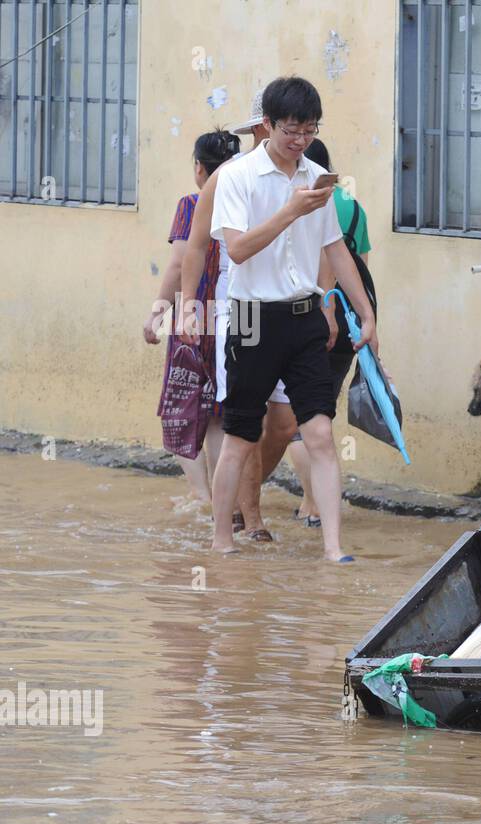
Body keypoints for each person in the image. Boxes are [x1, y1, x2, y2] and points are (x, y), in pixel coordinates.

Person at [207, 75, 376, 562]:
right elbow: (236, 249)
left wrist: (364, 312)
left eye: (310, 130)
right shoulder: (237, 177)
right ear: (267, 125)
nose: (300, 141)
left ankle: (333, 549)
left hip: (304, 318)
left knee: (319, 432)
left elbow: (335, 249)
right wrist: (289, 211)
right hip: (253, 320)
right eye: (291, 131)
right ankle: (222, 541)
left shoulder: (315, 175)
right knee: (242, 434)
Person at [178, 90, 282, 541]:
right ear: (266, 127)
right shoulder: (228, 178)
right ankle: (246, 519)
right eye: (283, 127)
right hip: (241, 310)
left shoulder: (302, 174)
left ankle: (243, 508)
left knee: (290, 420)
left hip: (289, 308)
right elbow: (195, 246)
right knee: (245, 415)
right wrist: (186, 306)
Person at [143, 129, 241, 506]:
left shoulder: (192, 203)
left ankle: (201, 497)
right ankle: (222, 498)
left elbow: (179, 262)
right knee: (219, 412)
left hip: (196, 316)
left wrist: (157, 312)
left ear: (200, 168)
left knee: (179, 409)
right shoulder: (243, 202)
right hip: (240, 316)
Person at [283, 138, 374, 526]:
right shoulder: (354, 208)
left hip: (312, 318)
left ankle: (313, 503)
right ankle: (316, 504)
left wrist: (326, 310)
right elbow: (363, 268)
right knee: (322, 412)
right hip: (351, 320)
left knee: (296, 421)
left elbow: (323, 260)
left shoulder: (310, 203)